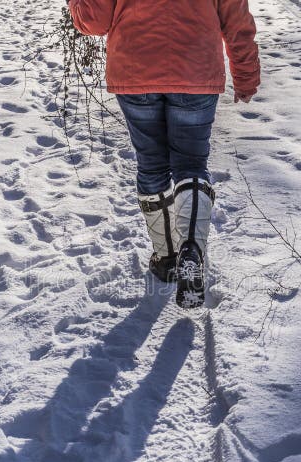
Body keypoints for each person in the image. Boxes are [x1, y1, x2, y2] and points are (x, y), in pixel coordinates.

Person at [68, 0, 260, 308]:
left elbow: (94, 20)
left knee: (152, 165)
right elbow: (236, 20)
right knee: (192, 164)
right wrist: (246, 75)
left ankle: (169, 258)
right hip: (196, 71)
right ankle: (192, 251)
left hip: (136, 69)